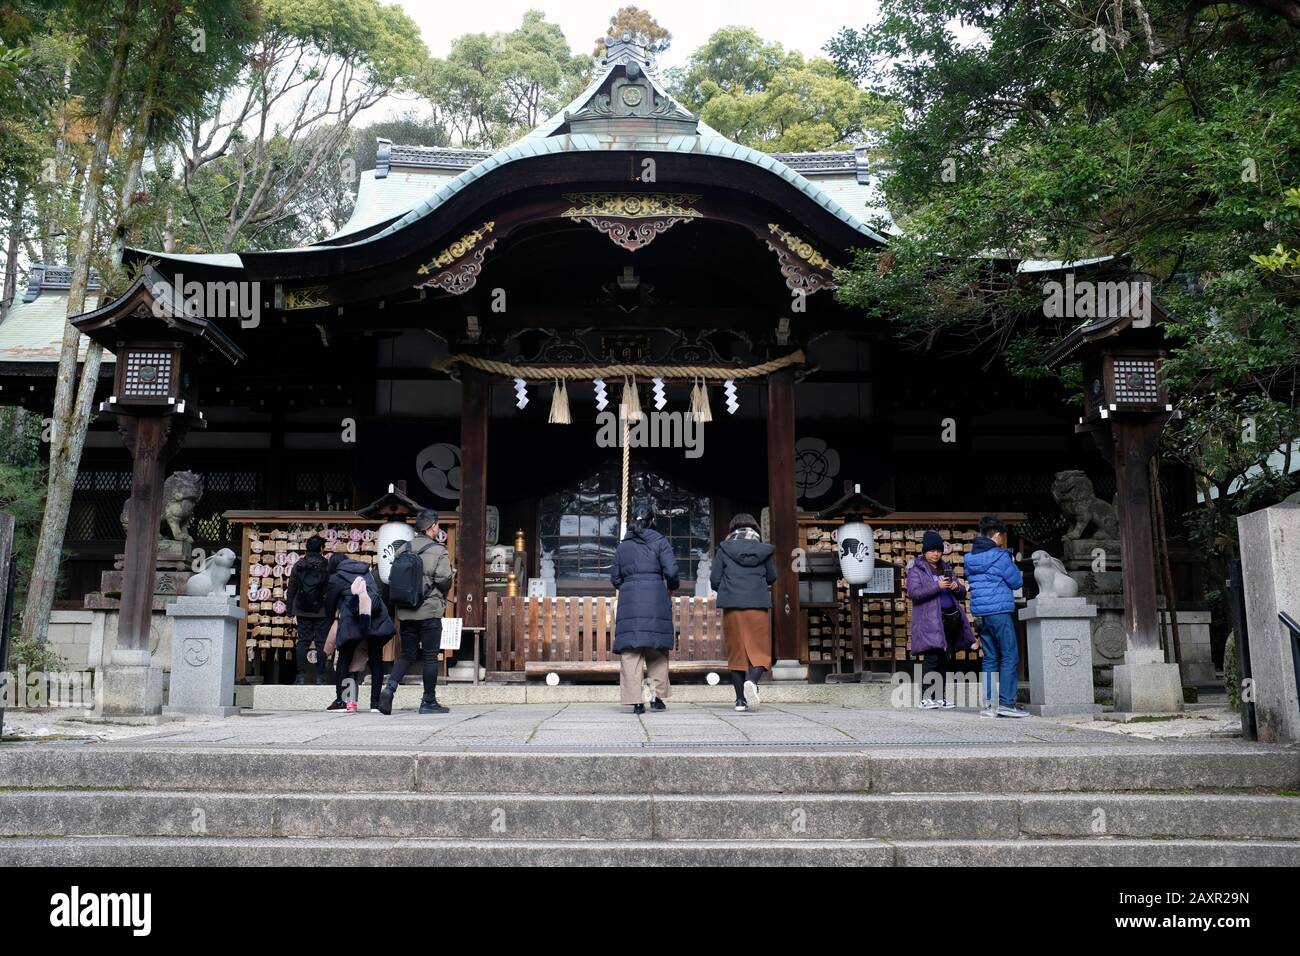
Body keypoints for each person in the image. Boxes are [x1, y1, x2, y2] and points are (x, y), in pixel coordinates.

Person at [378, 509, 454, 716]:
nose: (437, 528)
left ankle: (390, 688)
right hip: (429, 611)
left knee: (407, 654)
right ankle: (428, 701)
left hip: (406, 611)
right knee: (430, 656)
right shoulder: (439, 551)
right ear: (432, 527)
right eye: (437, 525)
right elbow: (444, 579)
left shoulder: (403, 549)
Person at [610, 500, 679, 715]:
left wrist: (629, 585)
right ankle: (656, 699)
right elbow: (672, 572)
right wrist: (671, 587)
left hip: (630, 600)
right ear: (652, 521)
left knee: (631, 652)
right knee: (657, 650)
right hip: (656, 598)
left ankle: (636, 701)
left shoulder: (623, 546)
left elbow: (615, 578)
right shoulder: (660, 542)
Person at [710, 513, 776, 712]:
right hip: (757, 604)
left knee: (737, 653)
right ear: (754, 528)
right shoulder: (763, 550)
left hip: (732, 607)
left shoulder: (724, 549)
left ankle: (740, 701)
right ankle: (753, 683)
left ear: (732, 529)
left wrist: (729, 589)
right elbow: (772, 577)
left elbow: (714, 579)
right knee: (761, 651)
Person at [966, 515, 1028, 718]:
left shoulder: (970, 558)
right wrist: (1013, 564)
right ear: (997, 535)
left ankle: (990, 705)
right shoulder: (1000, 556)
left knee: (990, 658)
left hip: (980, 614)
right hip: (999, 612)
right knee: (1010, 655)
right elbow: (1016, 582)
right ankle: (1007, 704)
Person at [906, 530, 977, 709]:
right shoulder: (917, 570)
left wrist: (956, 586)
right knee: (932, 659)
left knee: (945, 659)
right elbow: (914, 593)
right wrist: (936, 586)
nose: (935, 554)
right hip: (930, 620)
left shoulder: (946, 568)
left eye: (938, 550)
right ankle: (925, 697)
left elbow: (961, 593)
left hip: (950, 619)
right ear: (924, 552)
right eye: (931, 551)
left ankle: (940, 697)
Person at [323, 551, 394, 712]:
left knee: (344, 659)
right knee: (376, 659)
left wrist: (333, 619)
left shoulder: (336, 578)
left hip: (352, 622)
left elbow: (329, 605)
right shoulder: (366, 572)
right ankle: (375, 704)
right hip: (374, 620)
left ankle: (343, 701)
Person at [286, 535, 331, 685]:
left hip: (302, 609)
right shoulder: (327, 565)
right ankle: (320, 676)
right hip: (322, 610)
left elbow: (291, 588)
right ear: (321, 548)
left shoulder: (299, 565)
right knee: (321, 643)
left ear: (307, 548)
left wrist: (289, 610)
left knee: (303, 641)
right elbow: (332, 588)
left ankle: (301, 676)